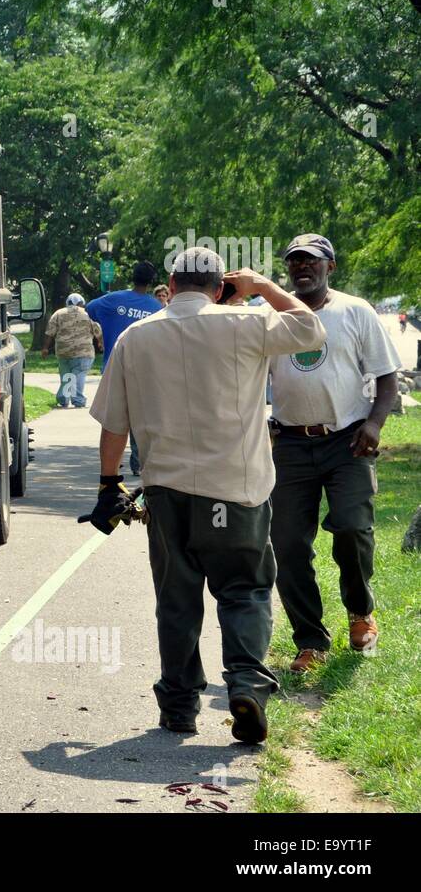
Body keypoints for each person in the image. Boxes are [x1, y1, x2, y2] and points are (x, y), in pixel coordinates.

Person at [86, 247, 325, 744]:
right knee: (246, 590)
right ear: (221, 288)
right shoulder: (248, 324)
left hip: (167, 492)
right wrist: (262, 287)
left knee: (176, 600)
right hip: (237, 490)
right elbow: (309, 330)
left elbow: (114, 423)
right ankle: (246, 684)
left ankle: (178, 706)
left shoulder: (136, 335)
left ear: (169, 287)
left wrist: (109, 486)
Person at [266, 234, 401, 672]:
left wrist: (374, 425)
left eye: (312, 261)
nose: (302, 268)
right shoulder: (271, 315)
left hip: (347, 441)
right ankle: (310, 640)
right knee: (286, 543)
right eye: (295, 262)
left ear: (330, 267)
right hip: (288, 443)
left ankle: (361, 614)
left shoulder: (355, 311)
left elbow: (386, 377)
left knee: (352, 528)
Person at [86, 260, 164, 475]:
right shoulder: (156, 308)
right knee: (141, 417)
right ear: (151, 281)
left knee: (113, 418)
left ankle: (112, 463)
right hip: (146, 370)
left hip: (113, 366)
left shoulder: (111, 300)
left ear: (133, 276)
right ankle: (138, 463)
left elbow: (90, 310)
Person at [40, 292, 102, 409]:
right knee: (78, 375)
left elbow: (49, 332)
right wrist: (101, 343)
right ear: (81, 303)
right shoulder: (88, 314)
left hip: (63, 352)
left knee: (67, 375)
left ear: (67, 303)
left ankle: (63, 399)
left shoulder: (58, 313)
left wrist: (45, 348)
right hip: (83, 352)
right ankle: (78, 400)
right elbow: (98, 331)